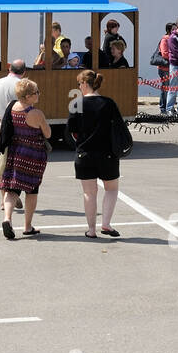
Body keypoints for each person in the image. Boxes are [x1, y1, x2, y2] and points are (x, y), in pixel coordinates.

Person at [67, 70, 128, 237]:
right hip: (107, 153)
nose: (79, 87)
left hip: (84, 153)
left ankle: (91, 229)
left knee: (89, 193)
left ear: (85, 84)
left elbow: (72, 131)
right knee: (111, 189)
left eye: (79, 84)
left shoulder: (77, 104)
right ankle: (106, 224)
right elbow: (118, 127)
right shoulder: (108, 103)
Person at [0, 78, 51, 239]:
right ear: (28, 96)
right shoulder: (35, 113)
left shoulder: (11, 107)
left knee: (12, 189)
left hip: (15, 151)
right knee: (31, 190)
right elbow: (47, 134)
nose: (38, 94)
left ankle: (7, 218)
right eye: (36, 92)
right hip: (33, 154)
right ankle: (27, 226)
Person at [0, 60, 27, 212]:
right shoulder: (25, 85)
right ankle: (13, 195)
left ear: (9, 68)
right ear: (24, 71)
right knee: (18, 164)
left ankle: (4, 199)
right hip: (20, 130)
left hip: (0, 129)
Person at [155, 22, 174, 111]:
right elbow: (165, 54)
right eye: (173, 29)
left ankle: (167, 106)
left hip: (171, 67)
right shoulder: (165, 39)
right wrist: (175, 56)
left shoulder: (174, 39)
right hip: (164, 68)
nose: (175, 31)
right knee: (166, 88)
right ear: (169, 30)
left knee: (169, 88)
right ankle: (163, 107)